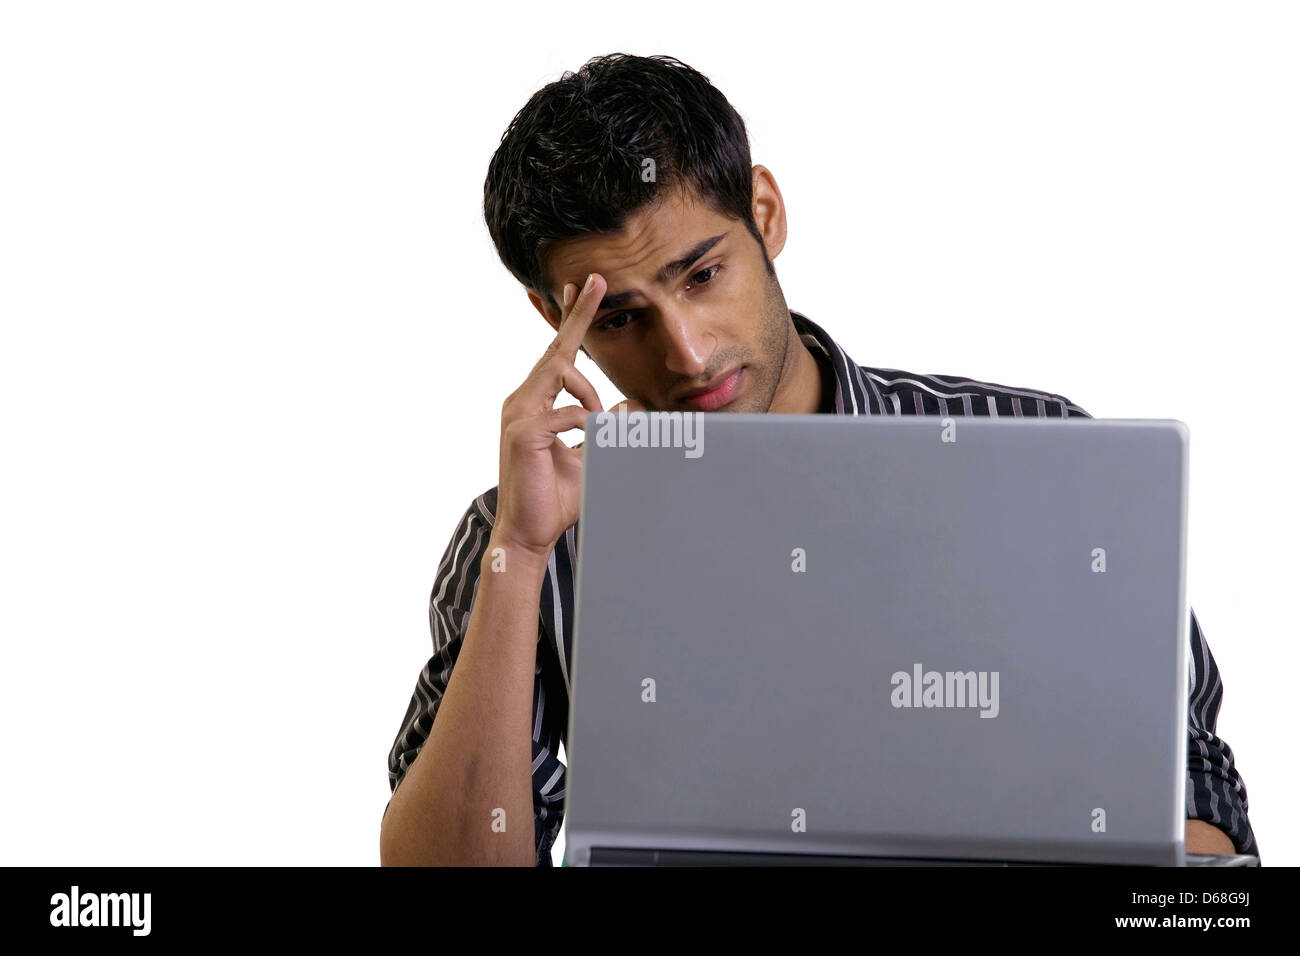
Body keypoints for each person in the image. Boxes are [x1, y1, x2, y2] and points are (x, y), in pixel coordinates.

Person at [378, 53, 1258, 866]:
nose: (685, 353)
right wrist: (523, 557)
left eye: (700, 275)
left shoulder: (1046, 458)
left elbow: (1197, 811)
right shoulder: (527, 538)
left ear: (764, 214)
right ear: (552, 316)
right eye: (618, 317)